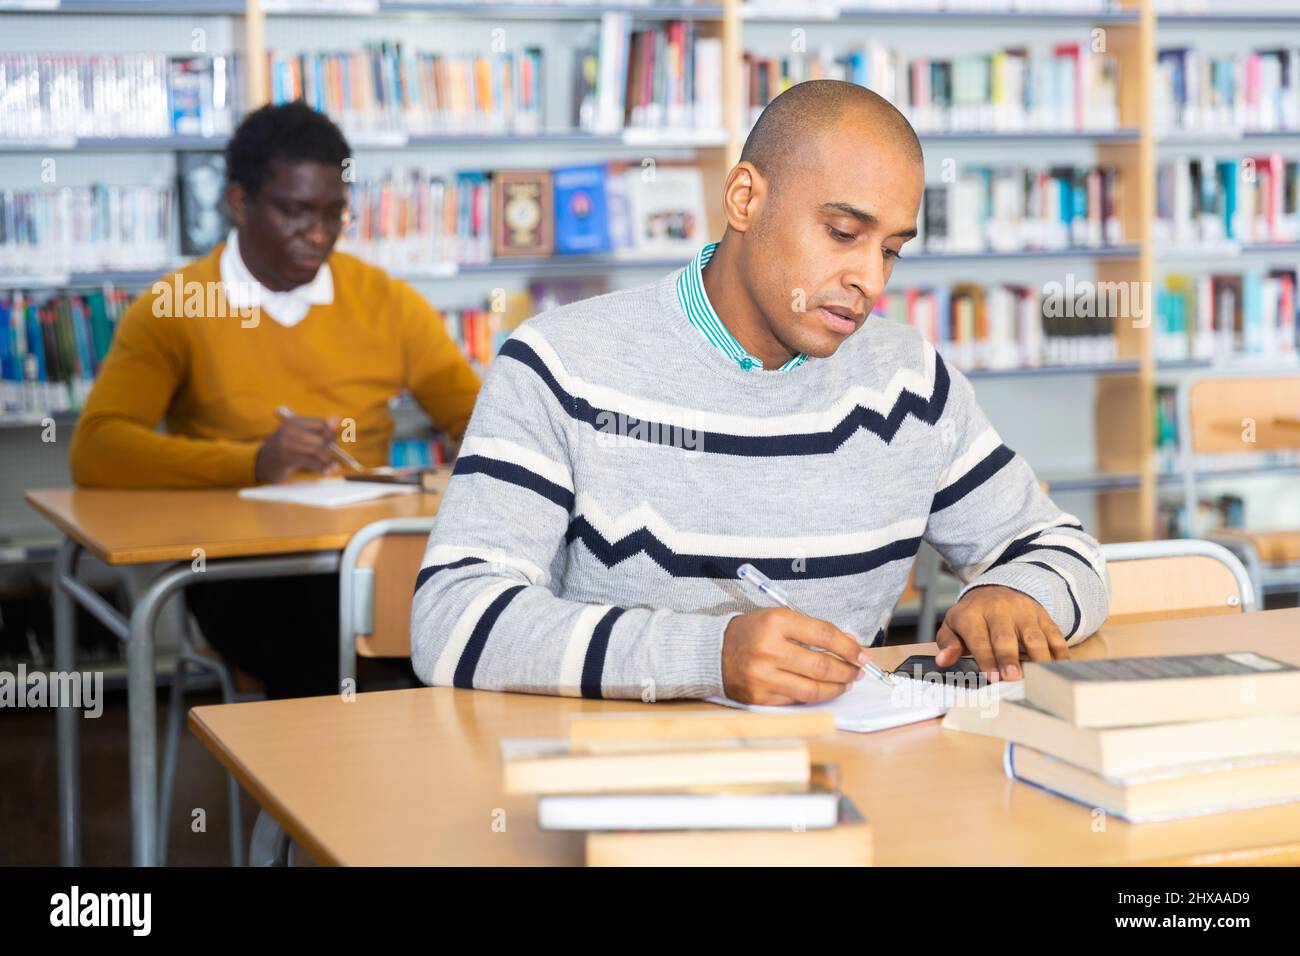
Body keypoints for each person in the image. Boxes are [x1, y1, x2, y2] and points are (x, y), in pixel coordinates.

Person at [410, 79, 1111, 704]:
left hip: (843, 778)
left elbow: (1066, 552)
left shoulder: (909, 382)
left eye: (891, 249)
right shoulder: (560, 365)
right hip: (624, 792)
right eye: (842, 232)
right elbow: (453, 620)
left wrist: (1017, 591)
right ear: (745, 198)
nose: (871, 278)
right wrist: (707, 657)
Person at [70, 101, 481, 697]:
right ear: (239, 203)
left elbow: (479, 416)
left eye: (334, 214)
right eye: (296, 212)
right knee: (313, 651)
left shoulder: (385, 302)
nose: (317, 235)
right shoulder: (179, 305)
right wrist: (253, 462)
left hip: (368, 556)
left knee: (475, 632)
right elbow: (97, 448)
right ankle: (330, 780)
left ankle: (430, 778)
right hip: (241, 571)